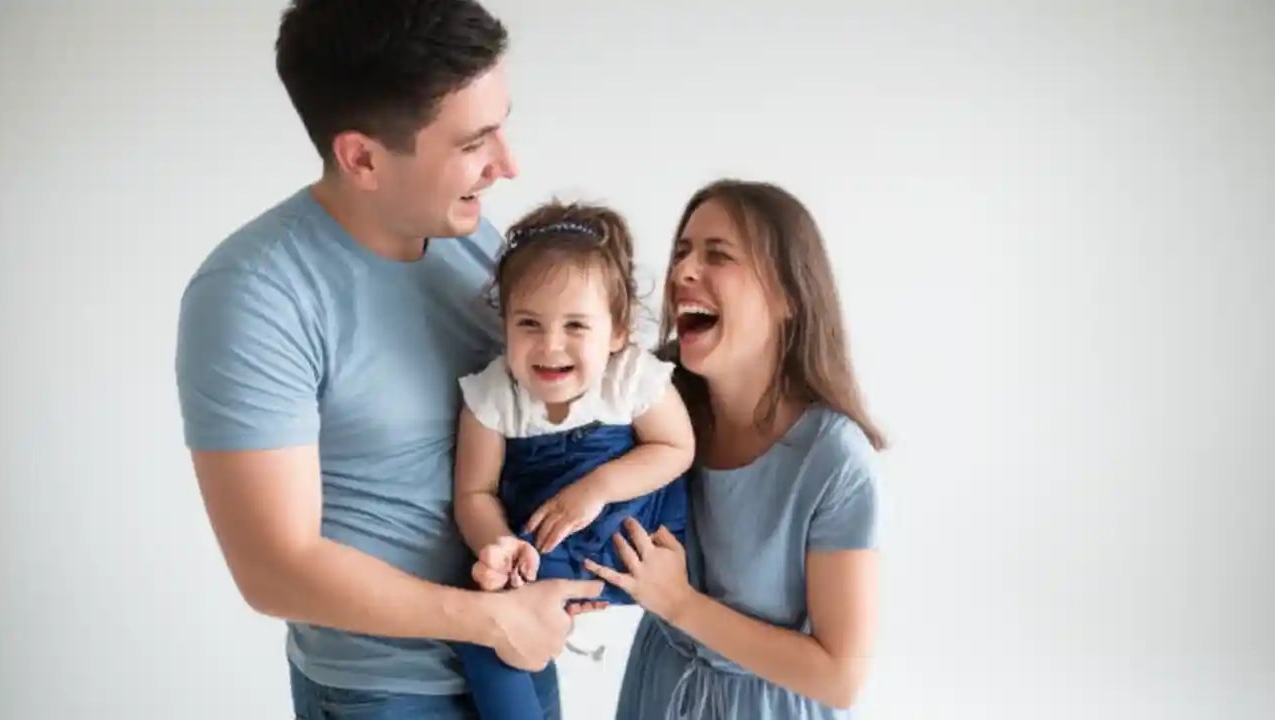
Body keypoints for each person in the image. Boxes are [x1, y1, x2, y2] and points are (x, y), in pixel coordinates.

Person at [174, 2, 600, 718]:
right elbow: (274, 570)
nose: (508, 163)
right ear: (362, 157)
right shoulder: (254, 295)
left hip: (517, 660)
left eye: (502, 124)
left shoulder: (469, 238)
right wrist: (490, 620)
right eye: (474, 142)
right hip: (386, 694)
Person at [586, 180, 887, 719]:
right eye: (681, 253)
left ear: (788, 297)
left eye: (717, 256)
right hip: (655, 695)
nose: (681, 274)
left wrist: (678, 603)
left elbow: (840, 677)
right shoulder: (652, 407)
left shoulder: (835, 460)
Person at [449, 201, 694, 719]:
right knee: (485, 624)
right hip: (547, 547)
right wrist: (498, 544)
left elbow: (676, 448)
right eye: (529, 323)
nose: (550, 344)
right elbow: (475, 492)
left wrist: (598, 487)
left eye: (576, 326)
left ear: (618, 331)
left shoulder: (629, 377)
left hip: (632, 539)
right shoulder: (495, 394)